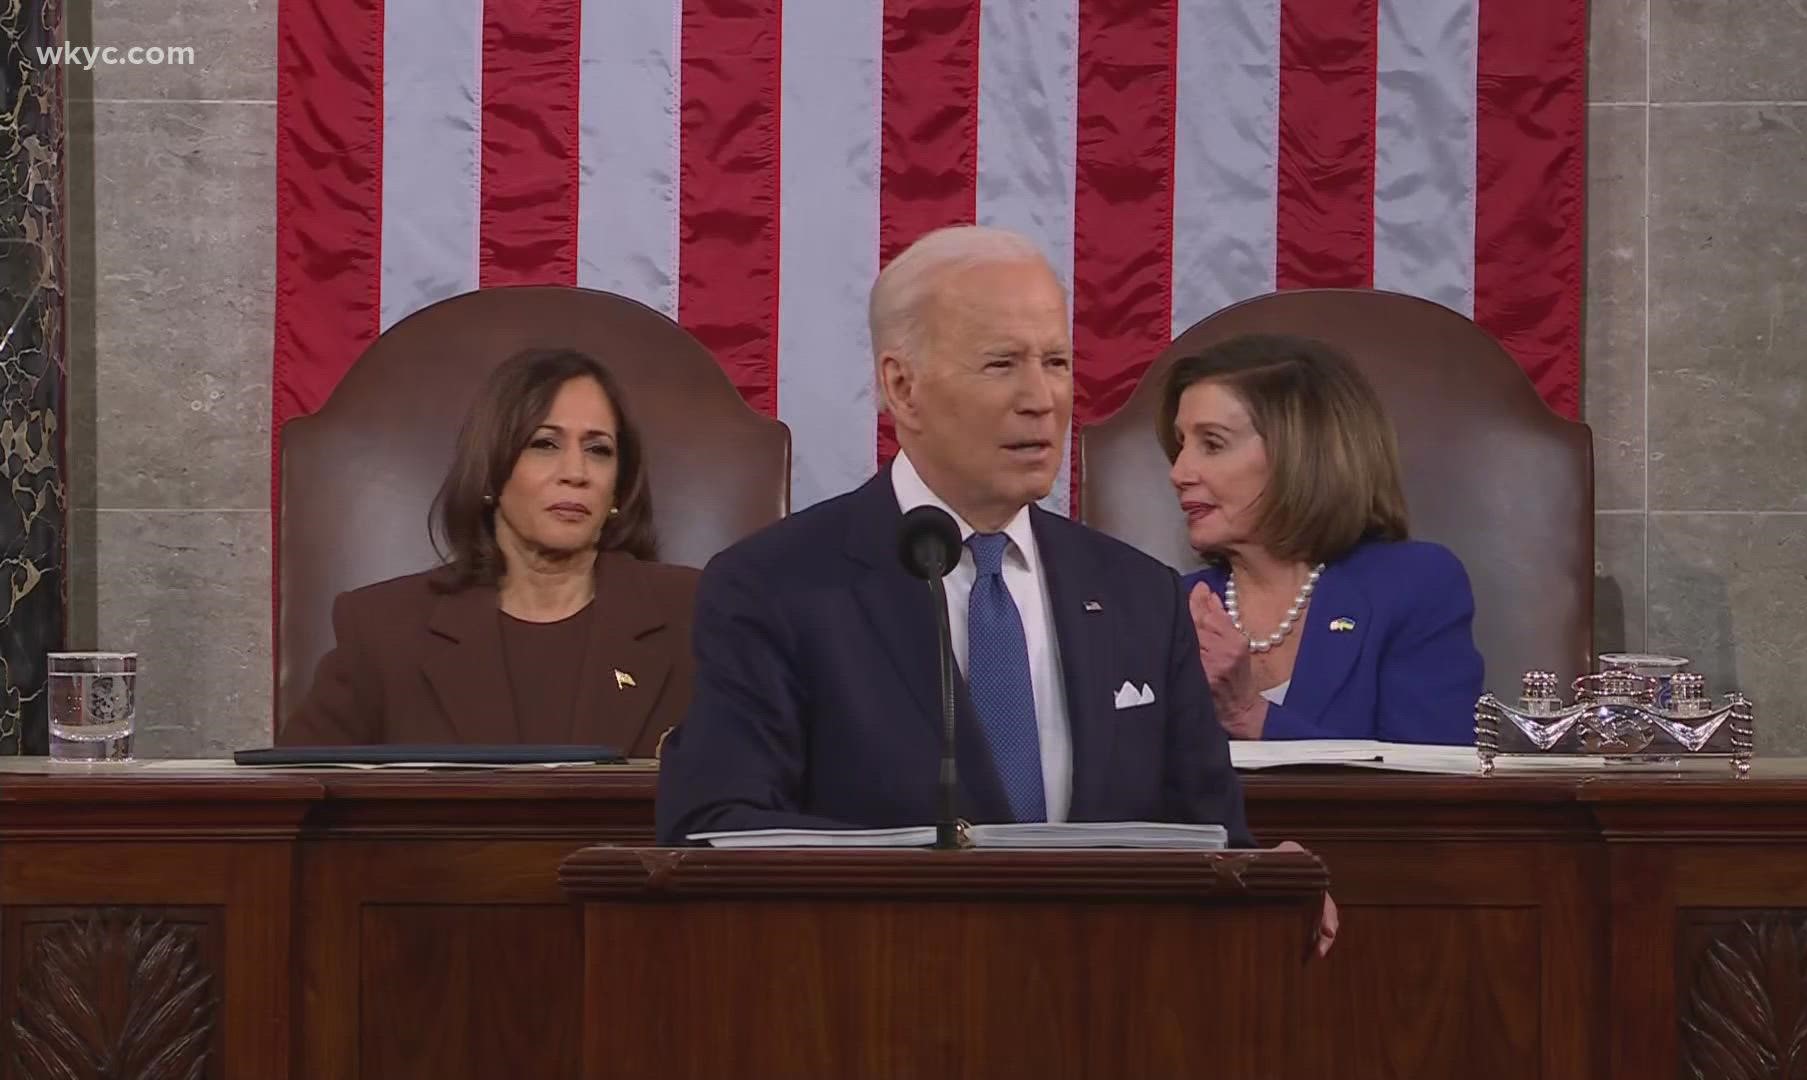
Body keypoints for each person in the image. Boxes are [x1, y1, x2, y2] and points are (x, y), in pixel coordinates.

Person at [656, 225, 1253, 848]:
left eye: (1055, 363)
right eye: (1002, 364)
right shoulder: (773, 587)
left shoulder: (1142, 596)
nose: (1042, 399)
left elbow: (1217, 842)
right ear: (902, 387)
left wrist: (1274, 882)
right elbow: (715, 826)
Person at [279, 347, 699, 757]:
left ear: (617, 487)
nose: (576, 473)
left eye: (598, 450)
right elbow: (296, 788)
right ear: (490, 470)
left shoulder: (696, 614)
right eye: (544, 444)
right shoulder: (381, 630)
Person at [1162, 333, 1484, 744]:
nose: (1179, 473)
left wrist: (1250, 715)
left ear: (1300, 454)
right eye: (1181, 445)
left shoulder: (1413, 586)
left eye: (1212, 443)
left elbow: (1433, 776)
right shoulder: (1172, 607)